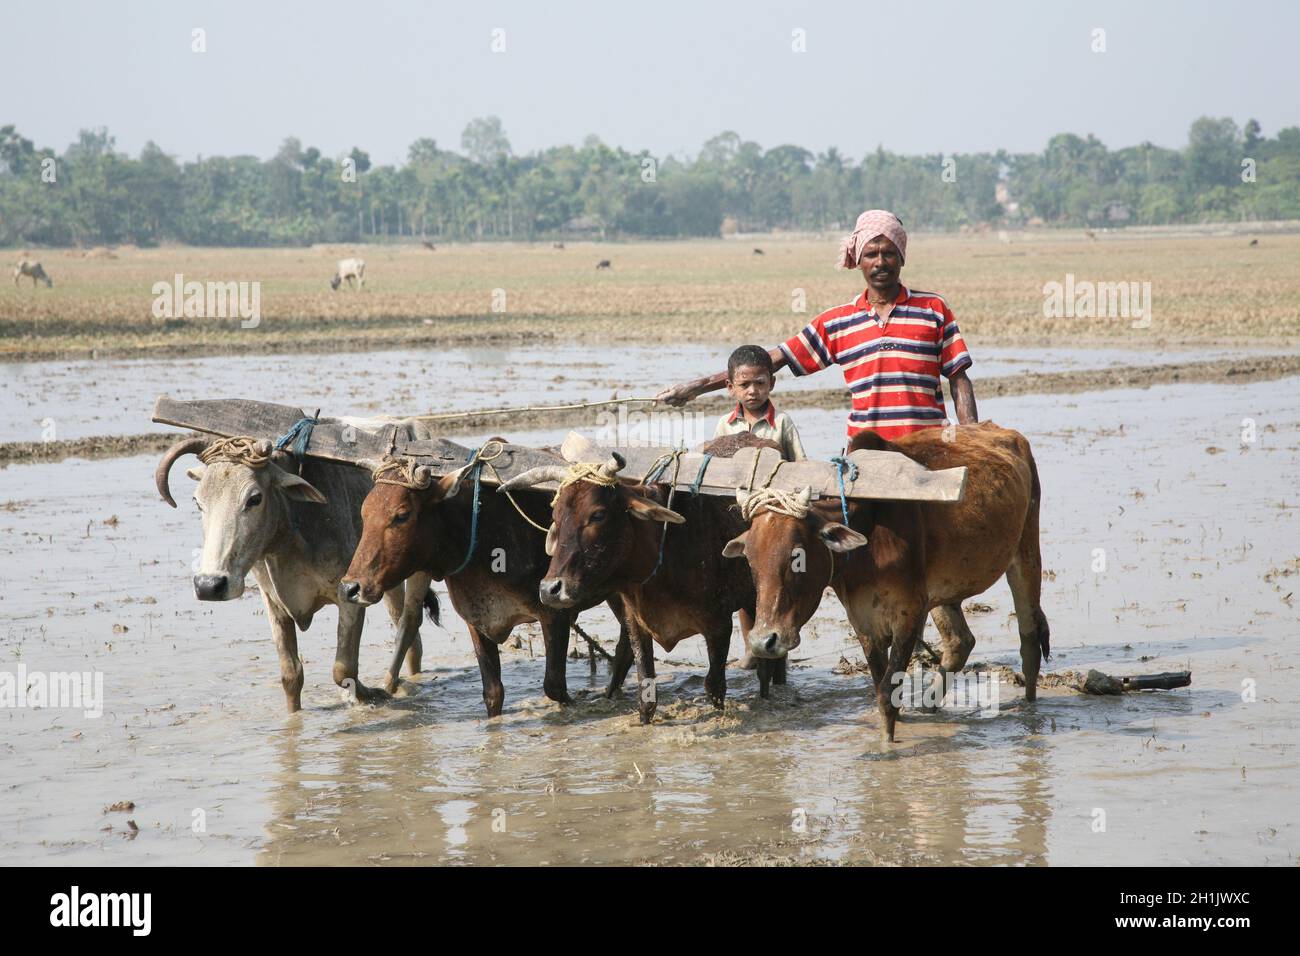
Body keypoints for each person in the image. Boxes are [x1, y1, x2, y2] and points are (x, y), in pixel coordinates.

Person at [657, 209, 979, 442]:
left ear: (902, 257)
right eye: (871, 254)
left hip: (930, 449)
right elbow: (770, 361)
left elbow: (958, 379)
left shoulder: (933, 309)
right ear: (858, 260)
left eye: (889, 253)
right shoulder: (838, 322)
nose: (880, 262)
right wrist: (696, 387)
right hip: (866, 455)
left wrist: (971, 441)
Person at [712, 344, 807, 461]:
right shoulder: (725, 424)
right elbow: (714, 464)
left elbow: (800, 464)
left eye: (760, 383)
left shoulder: (782, 421)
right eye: (744, 385)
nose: (752, 391)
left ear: (771, 383)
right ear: (731, 387)